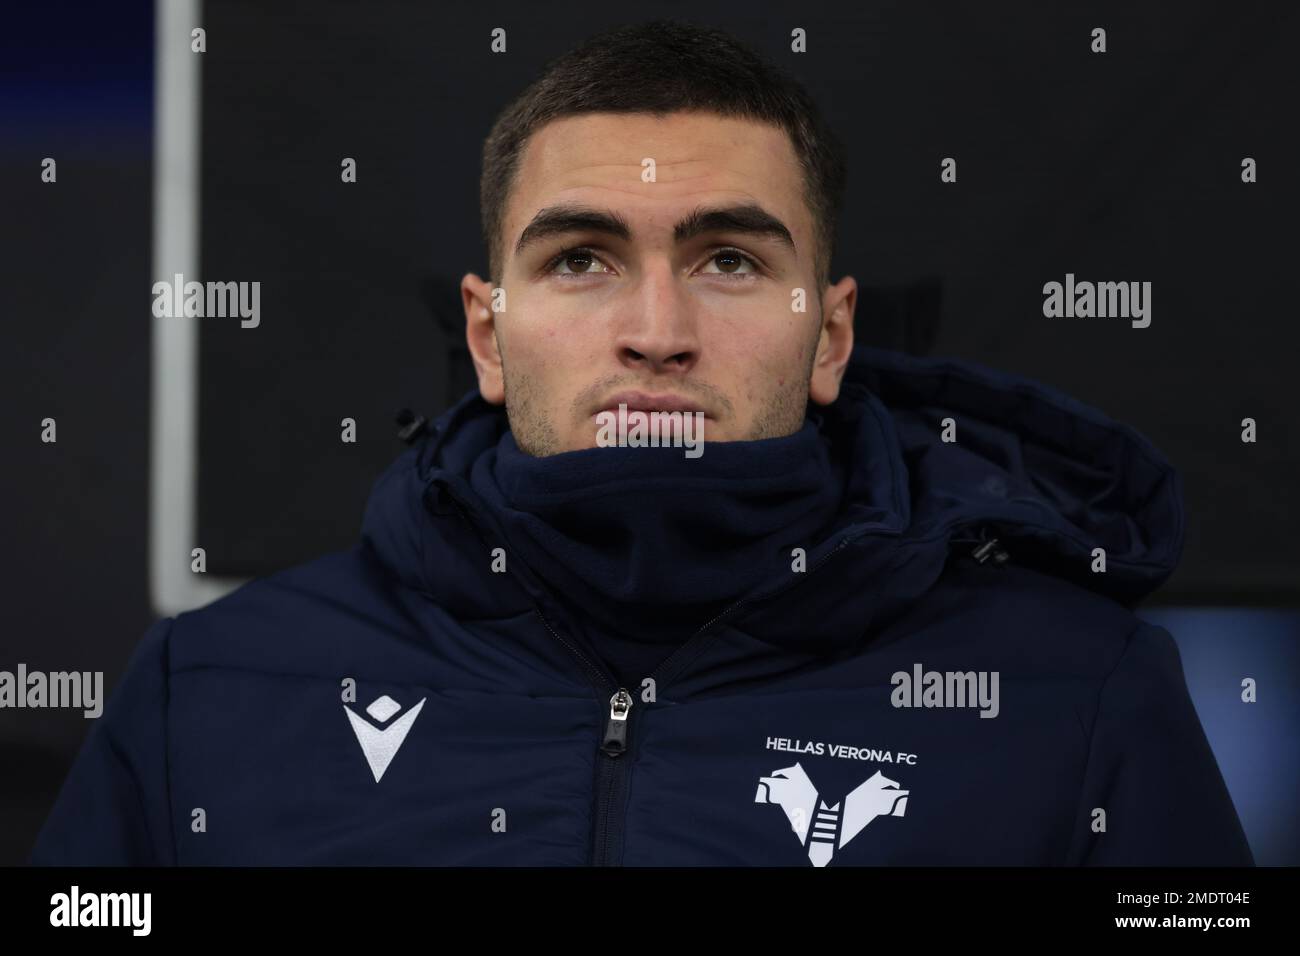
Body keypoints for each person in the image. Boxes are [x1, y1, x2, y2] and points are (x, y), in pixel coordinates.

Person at [31, 19, 1252, 867]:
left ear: (829, 335)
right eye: (581, 260)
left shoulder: (1081, 693)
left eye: (728, 259)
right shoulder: (212, 691)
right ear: (488, 331)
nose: (656, 332)